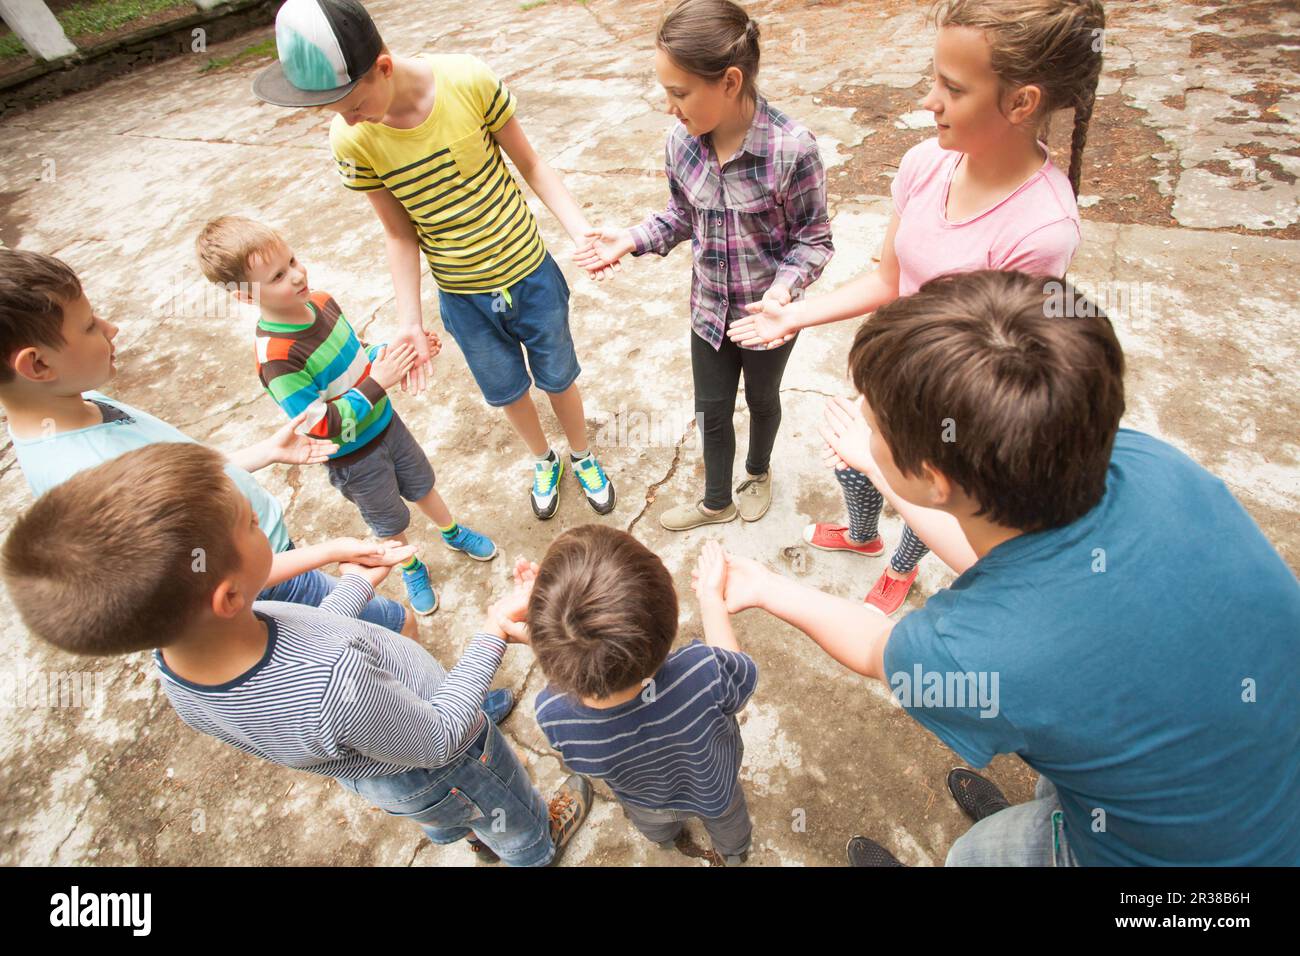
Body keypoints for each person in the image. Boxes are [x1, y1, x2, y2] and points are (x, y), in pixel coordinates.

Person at [718, 270, 1300, 866]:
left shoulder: (979, 649)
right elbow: (1016, 565)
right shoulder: (1140, 459)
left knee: (975, 855)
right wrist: (879, 469)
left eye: (874, 424)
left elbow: (875, 646)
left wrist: (765, 587)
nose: (861, 419)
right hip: (1253, 784)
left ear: (934, 481)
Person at [2, 442, 594, 866]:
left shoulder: (181, 667)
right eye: (250, 526)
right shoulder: (335, 687)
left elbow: (303, 633)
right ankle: (533, 845)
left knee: (451, 813)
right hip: (447, 760)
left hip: (386, 777)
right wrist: (492, 630)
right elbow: (439, 737)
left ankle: (472, 833)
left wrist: (358, 585)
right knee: (505, 807)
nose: (266, 529)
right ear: (228, 594)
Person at [729, 0, 1105, 614]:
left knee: (932, 494)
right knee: (852, 458)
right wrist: (794, 313)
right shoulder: (924, 164)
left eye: (952, 88)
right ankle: (861, 533)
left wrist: (904, 439)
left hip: (955, 399)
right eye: (934, 78)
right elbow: (888, 279)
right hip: (893, 371)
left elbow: (990, 366)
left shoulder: (1041, 229)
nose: (929, 100)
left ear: (1021, 102)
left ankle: (903, 563)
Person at [252, 0, 615, 521]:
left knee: (559, 376)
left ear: (383, 67)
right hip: (463, 296)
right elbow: (399, 235)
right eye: (336, 112)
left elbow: (531, 162)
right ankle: (544, 458)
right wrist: (410, 325)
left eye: (352, 103)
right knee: (507, 389)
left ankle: (582, 453)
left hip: (530, 272)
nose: (348, 120)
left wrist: (581, 232)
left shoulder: (468, 80)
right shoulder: (353, 139)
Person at [0, 247, 414, 635]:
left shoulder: (74, 400)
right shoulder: (86, 475)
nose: (112, 327)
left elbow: (177, 477)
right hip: (263, 580)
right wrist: (330, 551)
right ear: (37, 364)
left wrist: (264, 453)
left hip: (265, 556)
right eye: (89, 325)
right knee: (395, 626)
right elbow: (211, 580)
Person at [578, 0, 832, 531]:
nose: (668, 105)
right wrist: (630, 237)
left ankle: (757, 473)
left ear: (730, 81)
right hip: (708, 311)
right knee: (711, 410)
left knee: (763, 402)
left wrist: (784, 292)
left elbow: (813, 239)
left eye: (679, 92)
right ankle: (716, 500)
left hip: (768, 320)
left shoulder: (791, 150)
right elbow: (680, 214)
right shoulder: (682, 143)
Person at [197, 215, 498, 617]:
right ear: (245, 296)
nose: (298, 275)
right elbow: (318, 423)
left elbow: (358, 351)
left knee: (422, 483)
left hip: (387, 424)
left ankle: (451, 531)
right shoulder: (277, 358)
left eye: (293, 260)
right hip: (353, 457)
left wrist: (395, 354)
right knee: (388, 520)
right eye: (278, 276)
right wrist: (380, 382)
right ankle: (409, 564)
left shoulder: (321, 301)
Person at [527, 526, 758, 865]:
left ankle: (666, 841)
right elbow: (740, 671)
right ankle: (734, 854)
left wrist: (550, 620)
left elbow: (578, 752)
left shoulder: (553, 714)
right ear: (671, 615)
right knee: (729, 822)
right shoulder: (704, 671)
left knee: (655, 826)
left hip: (645, 800)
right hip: (714, 789)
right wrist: (712, 598)